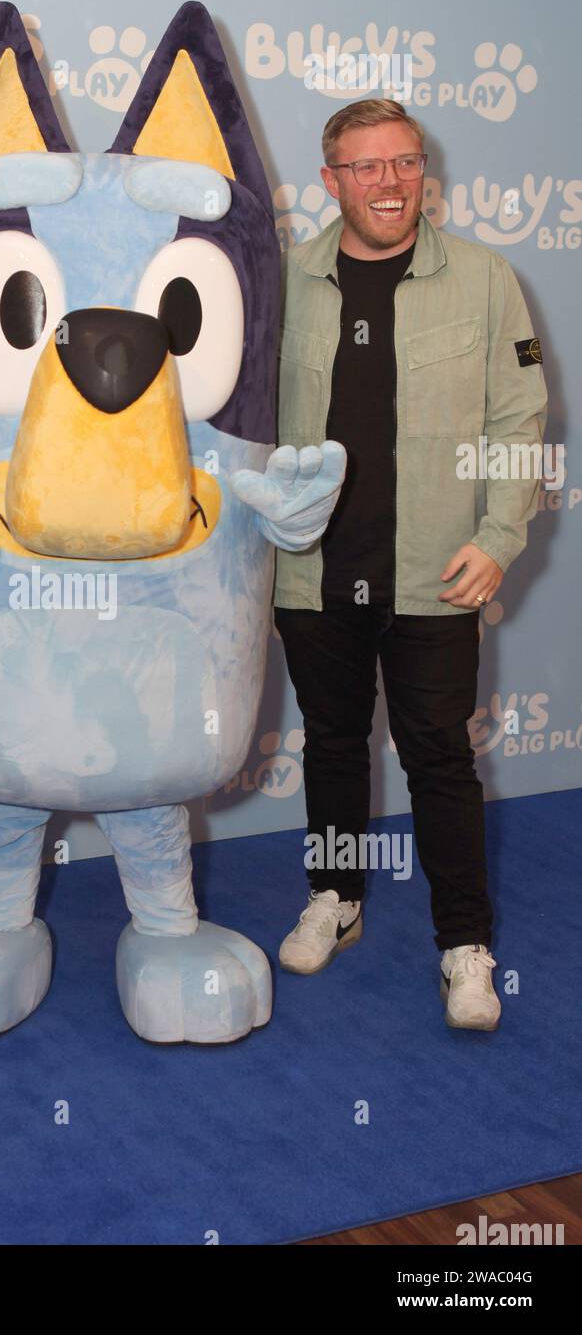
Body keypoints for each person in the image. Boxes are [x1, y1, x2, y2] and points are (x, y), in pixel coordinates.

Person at [272, 99, 547, 1030]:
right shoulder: (287, 283)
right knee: (335, 745)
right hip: (314, 575)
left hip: (438, 573)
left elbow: (520, 419)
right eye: (366, 167)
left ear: (423, 171)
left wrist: (501, 536)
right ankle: (337, 896)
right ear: (331, 181)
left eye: (405, 163)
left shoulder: (483, 278)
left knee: (440, 759)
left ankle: (465, 946)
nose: (390, 182)